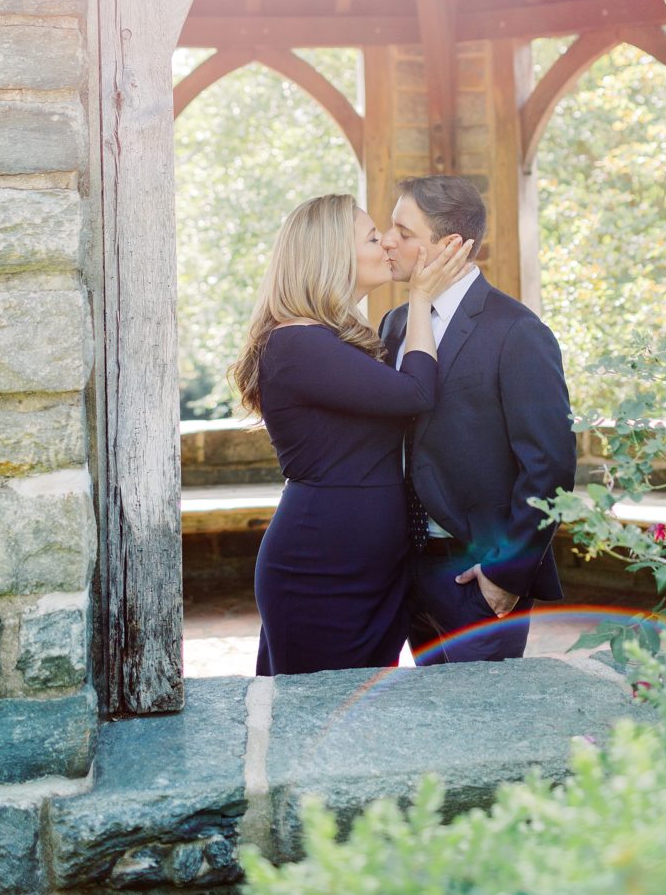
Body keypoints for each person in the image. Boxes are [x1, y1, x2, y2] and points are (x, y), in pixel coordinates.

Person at [233, 193, 474, 676]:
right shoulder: (298, 342)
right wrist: (422, 298)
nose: (387, 244)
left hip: (368, 561)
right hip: (322, 567)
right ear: (331, 255)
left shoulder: (335, 337)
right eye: (371, 237)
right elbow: (414, 394)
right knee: (317, 724)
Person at [379, 175, 576, 666]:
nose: (388, 240)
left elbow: (549, 467)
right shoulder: (396, 323)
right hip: (405, 569)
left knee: (486, 731)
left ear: (448, 246)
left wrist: (504, 575)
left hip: (478, 577)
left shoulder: (517, 332)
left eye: (404, 232)